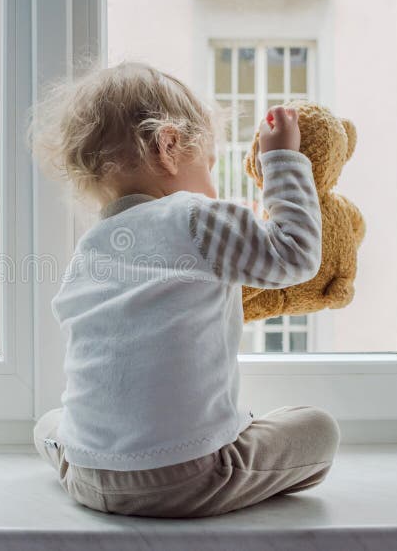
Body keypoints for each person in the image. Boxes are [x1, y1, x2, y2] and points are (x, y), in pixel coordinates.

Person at [30, 62, 339, 517]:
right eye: (210, 166)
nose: (212, 184)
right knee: (318, 428)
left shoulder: (89, 251)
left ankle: (89, 454)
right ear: (169, 147)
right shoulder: (195, 215)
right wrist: (282, 160)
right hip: (186, 477)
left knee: (49, 424)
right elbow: (294, 254)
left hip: (86, 473)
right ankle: (218, 442)